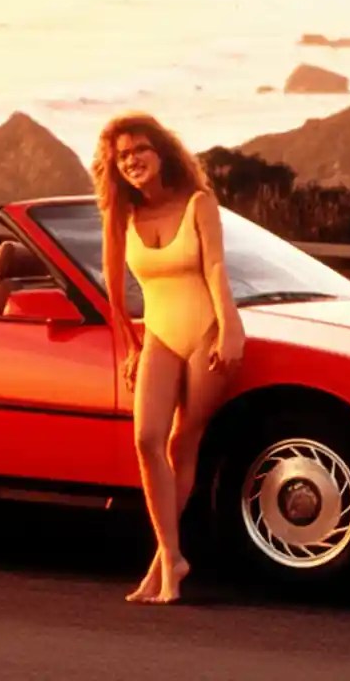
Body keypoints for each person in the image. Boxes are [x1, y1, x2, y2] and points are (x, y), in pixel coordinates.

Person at [93, 111, 246, 604]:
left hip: (205, 331)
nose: (132, 160)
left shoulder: (199, 203)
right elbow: (114, 294)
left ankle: (163, 568)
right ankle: (172, 556)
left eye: (140, 150)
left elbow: (217, 268)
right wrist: (133, 346)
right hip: (159, 334)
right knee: (146, 439)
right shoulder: (121, 216)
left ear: (161, 153)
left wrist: (230, 329)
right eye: (122, 156)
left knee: (184, 442)